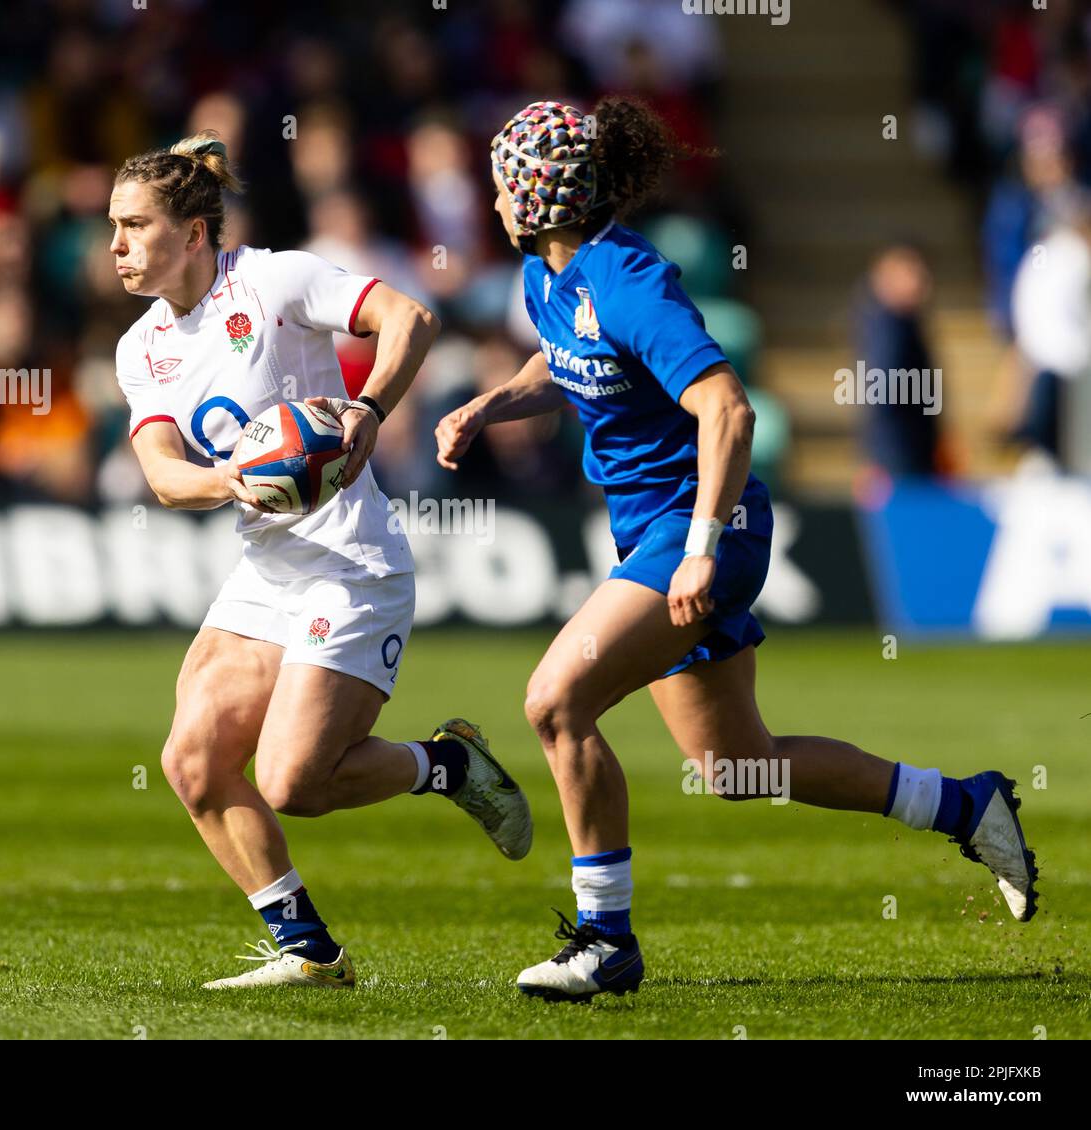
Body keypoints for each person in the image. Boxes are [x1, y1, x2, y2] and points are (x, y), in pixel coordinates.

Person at [436, 99, 1039, 1002]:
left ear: (538, 198)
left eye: (499, 187)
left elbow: (728, 408)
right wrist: (492, 404)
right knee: (734, 767)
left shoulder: (631, 279)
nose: (490, 205)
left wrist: (701, 548)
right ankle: (967, 804)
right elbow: (566, 363)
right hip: (656, 533)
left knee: (556, 702)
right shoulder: (545, 278)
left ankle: (605, 940)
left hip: (701, 529)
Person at [110, 132, 532, 990]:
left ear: (193, 234)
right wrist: (229, 481)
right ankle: (308, 950)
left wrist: (370, 409)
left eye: (134, 226)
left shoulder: (271, 280)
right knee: (191, 761)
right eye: (111, 227)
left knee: (293, 781)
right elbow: (160, 472)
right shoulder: (139, 348)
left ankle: (446, 764)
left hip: (351, 563)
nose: (115, 246)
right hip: (267, 566)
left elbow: (411, 317)